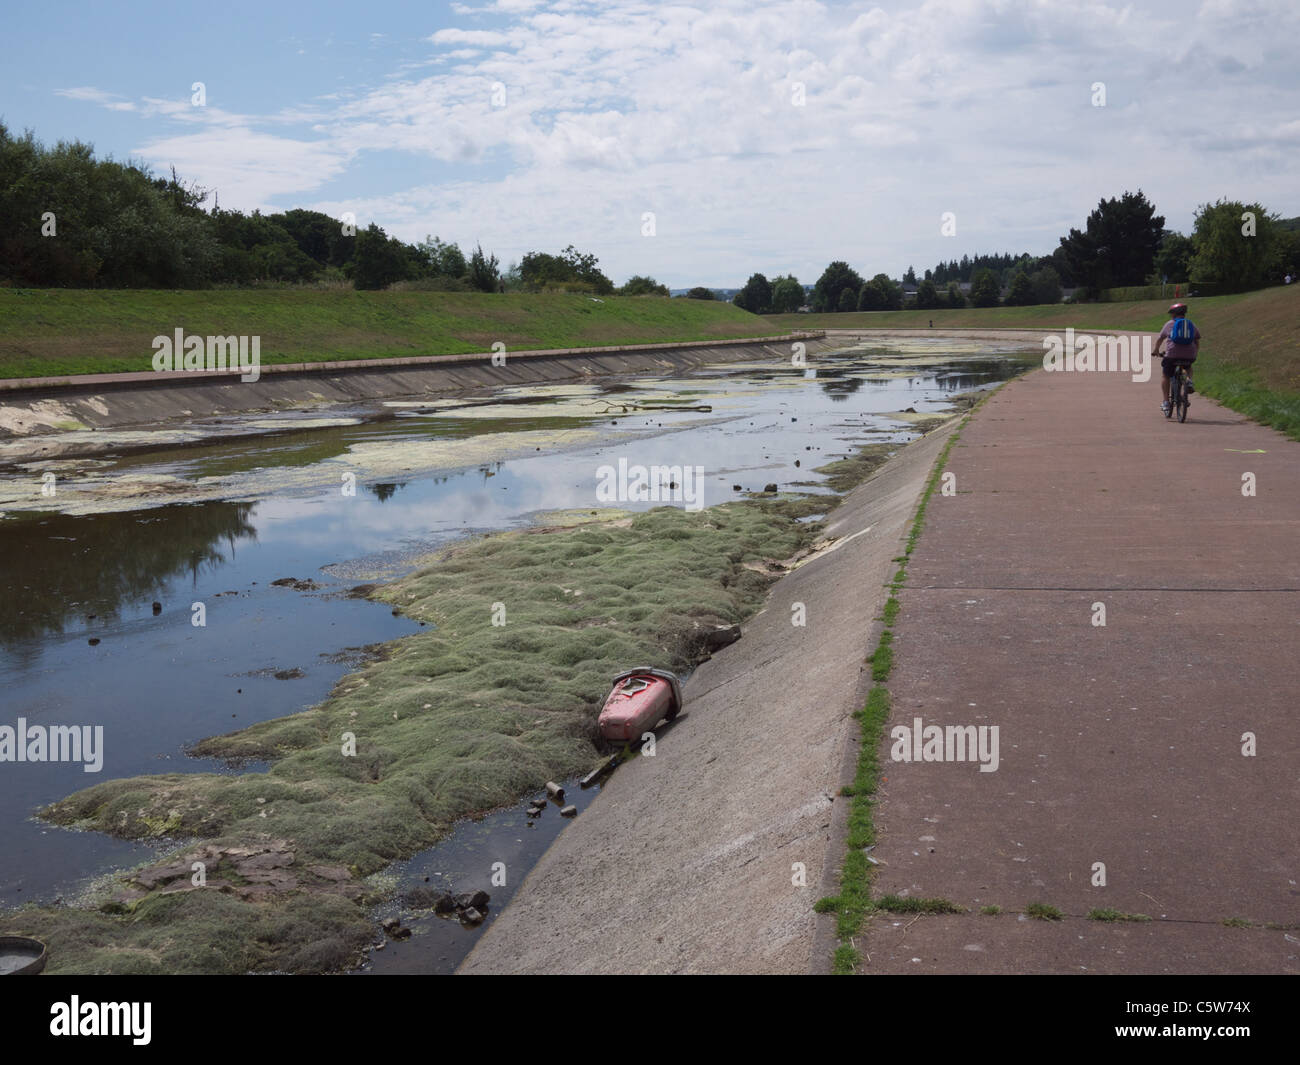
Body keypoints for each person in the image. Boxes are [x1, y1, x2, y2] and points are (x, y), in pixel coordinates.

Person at [1152, 301, 1201, 415]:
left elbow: (1160, 339)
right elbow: (1197, 340)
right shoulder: (1191, 324)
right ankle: (1189, 381)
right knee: (1188, 366)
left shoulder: (1169, 324)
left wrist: (1156, 350)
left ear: (1173, 314)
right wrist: (1195, 353)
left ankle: (1165, 402)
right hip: (1189, 355)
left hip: (1172, 355)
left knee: (1165, 375)